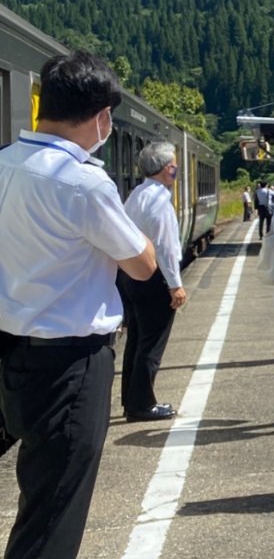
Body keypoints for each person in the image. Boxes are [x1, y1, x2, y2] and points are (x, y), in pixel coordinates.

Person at [0, 51, 157, 559]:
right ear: (101, 118)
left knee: (43, 506)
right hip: (69, 361)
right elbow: (142, 263)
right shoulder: (84, 183)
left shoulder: (5, 161)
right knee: (50, 519)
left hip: (13, 353)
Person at [116, 142, 187, 422]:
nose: (175, 170)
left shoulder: (136, 194)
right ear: (167, 169)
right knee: (152, 343)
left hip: (131, 276)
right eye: (173, 166)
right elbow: (166, 247)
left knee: (136, 339)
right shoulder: (160, 201)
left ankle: (131, 400)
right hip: (154, 278)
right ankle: (143, 404)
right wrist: (175, 284)